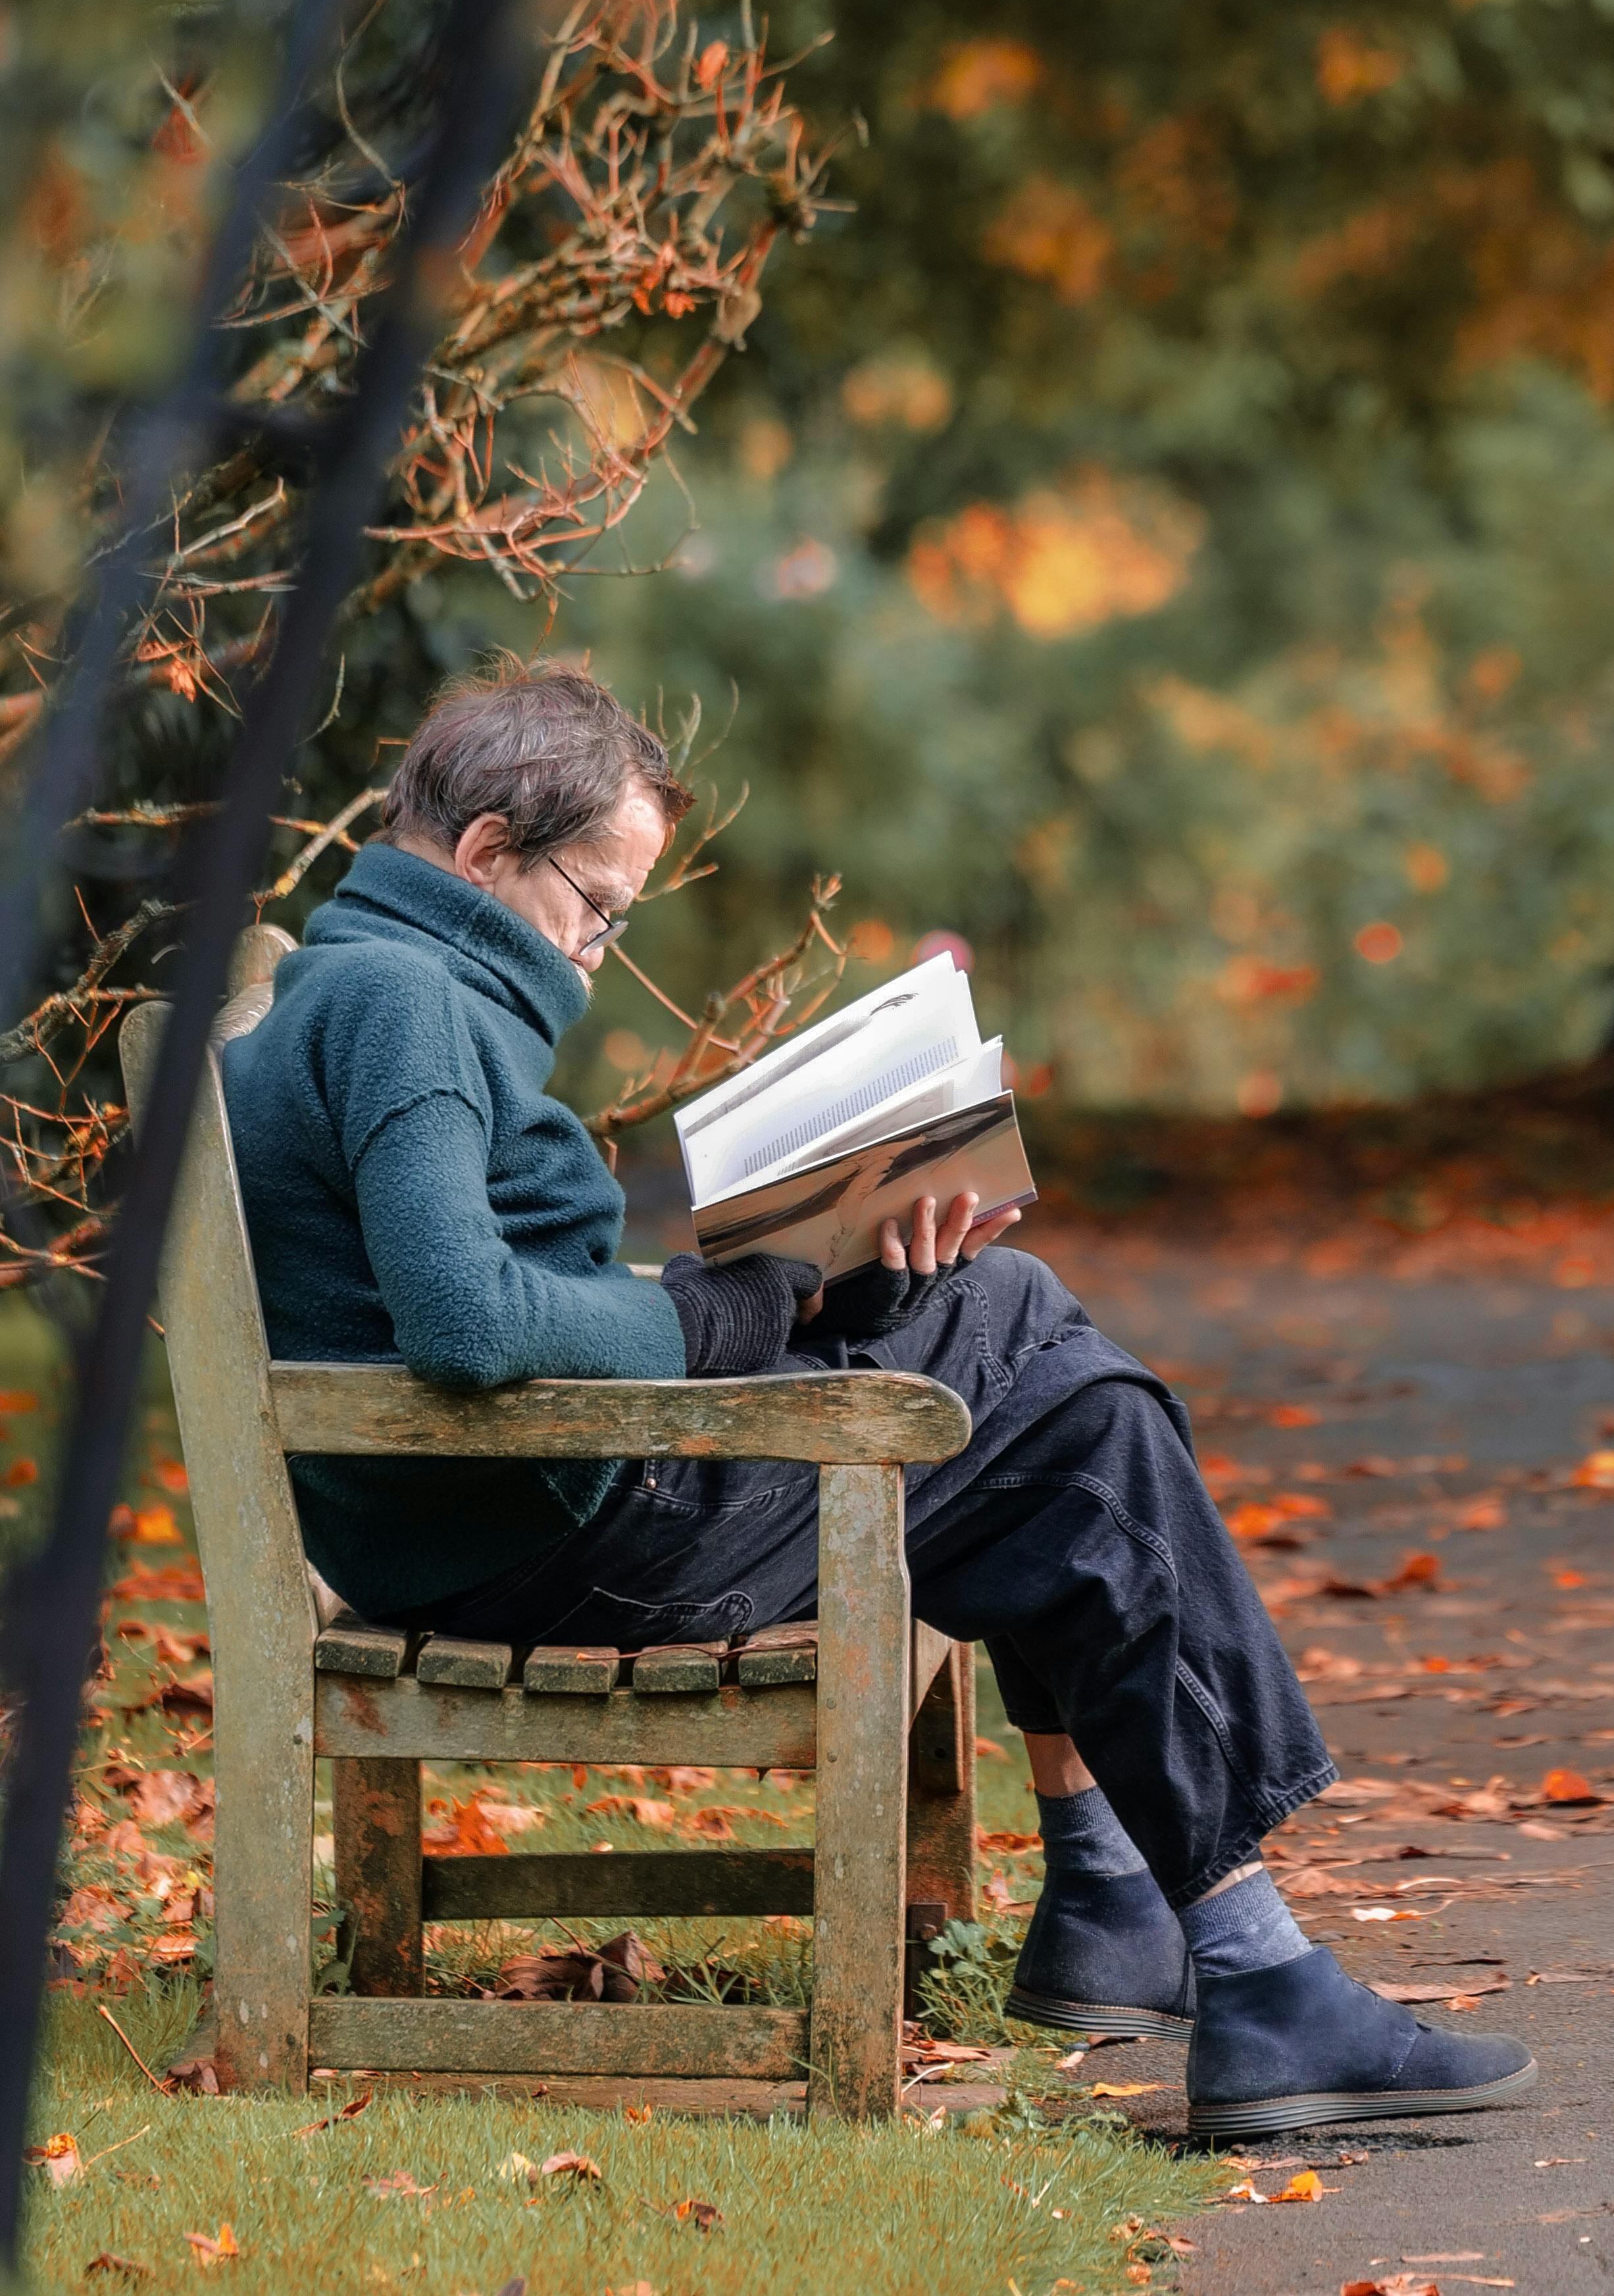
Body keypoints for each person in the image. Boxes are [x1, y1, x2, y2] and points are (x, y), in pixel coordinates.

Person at [220, 653, 1532, 2138]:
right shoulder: (405, 1007)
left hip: (505, 1506)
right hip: (553, 1528)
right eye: (600, 906)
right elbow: (464, 1323)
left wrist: (803, 1279)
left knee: (1018, 1353)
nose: (596, 952)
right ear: (483, 853)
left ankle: (1138, 1914)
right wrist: (720, 1308)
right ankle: (1217, 1950)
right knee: (1060, 1397)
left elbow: (476, 1293)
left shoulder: (362, 980)